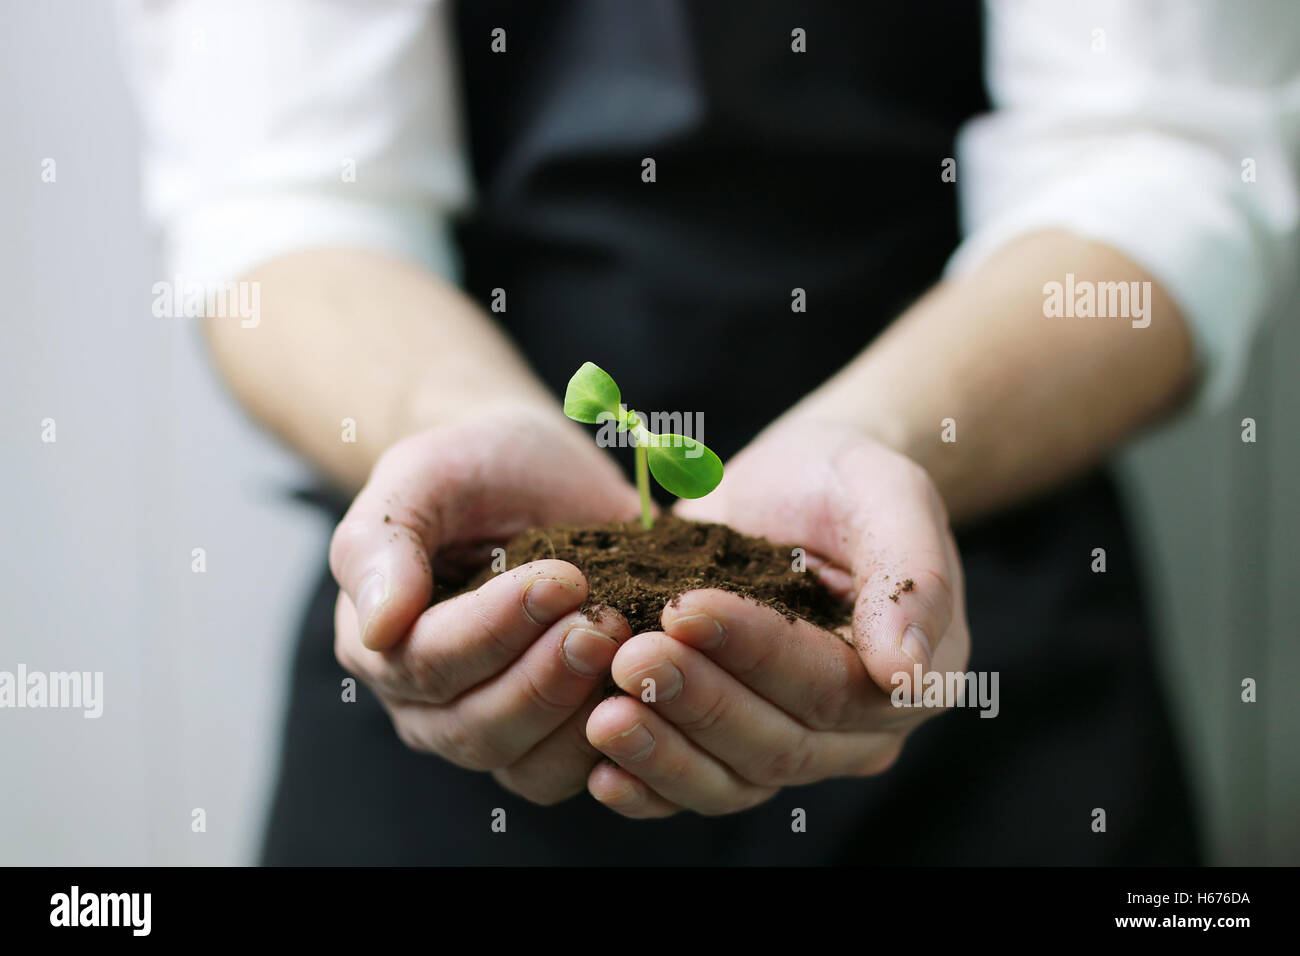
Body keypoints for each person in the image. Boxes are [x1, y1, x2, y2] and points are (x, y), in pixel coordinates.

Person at [121, 0, 1299, 864]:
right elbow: (287, 190)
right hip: (464, 635)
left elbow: (1160, 154)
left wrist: (875, 436)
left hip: (968, 616)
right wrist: (452, 419)